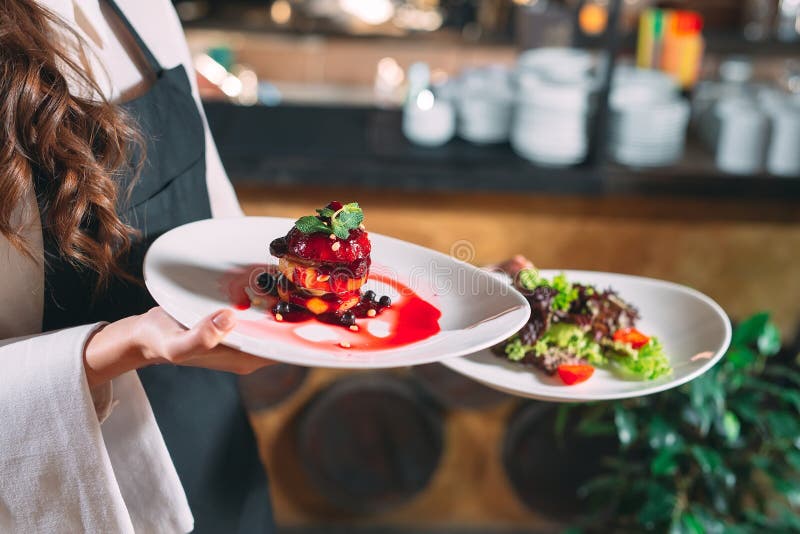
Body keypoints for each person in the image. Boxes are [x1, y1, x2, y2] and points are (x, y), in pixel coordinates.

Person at [0, 1, 276, 532]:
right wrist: (128, 344)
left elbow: (223, 229)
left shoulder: (146, 8)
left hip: (217, 457)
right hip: (75, 488)